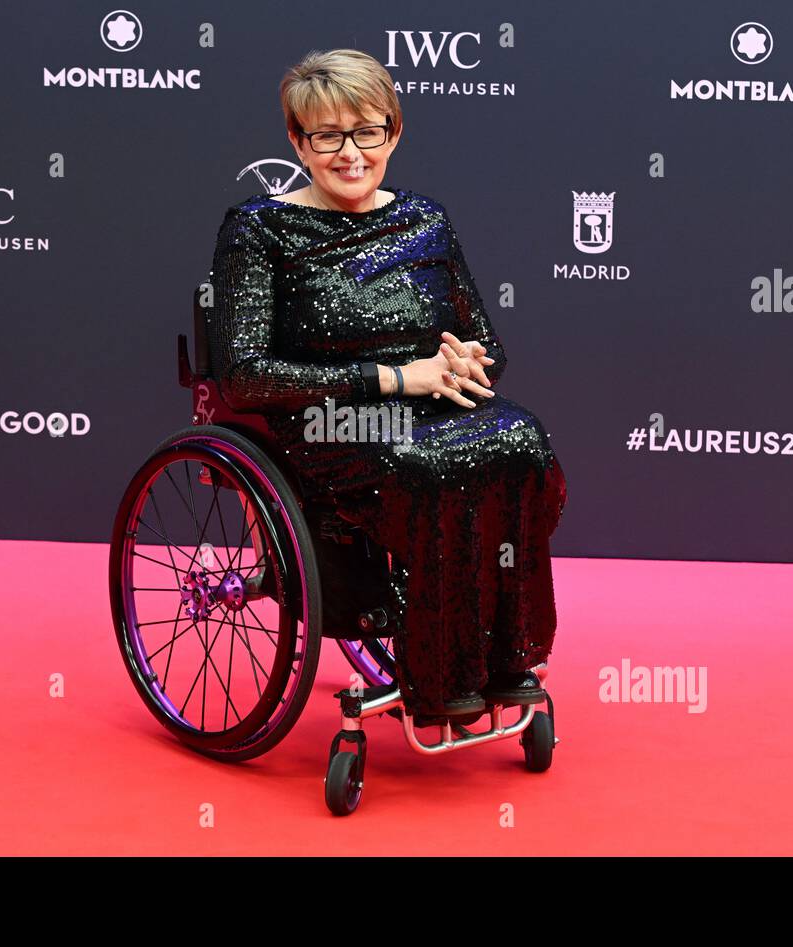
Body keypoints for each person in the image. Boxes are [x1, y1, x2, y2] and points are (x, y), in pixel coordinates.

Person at [205, 48, 567, 725]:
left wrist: (465, 363)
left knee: (520, 438)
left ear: (393, 132)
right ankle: (440, 673)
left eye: (367, 131)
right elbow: (245, 375)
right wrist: (394, 376)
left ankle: (506, 656)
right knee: (427, 464)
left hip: (433, 408)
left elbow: (489, 345)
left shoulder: (426, 219)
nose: (351, 153)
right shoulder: (260, 230)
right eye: (328, 136)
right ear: (298, 142)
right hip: (324, 425)